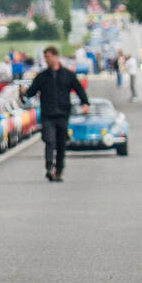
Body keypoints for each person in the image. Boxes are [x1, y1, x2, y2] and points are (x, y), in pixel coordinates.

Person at [22, 45, 89, 183]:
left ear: (55, 56)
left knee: (61, 144)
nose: (46, 60)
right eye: (45, 57)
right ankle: (49, 167)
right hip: (47, 114)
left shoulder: (68, 75)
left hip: (63, 114)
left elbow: (79, 89)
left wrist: (85, 103)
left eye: (48, 57)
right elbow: (32, 92)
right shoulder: (42, 76)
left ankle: (59, 170)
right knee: (49, 141)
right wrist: (23, 92)